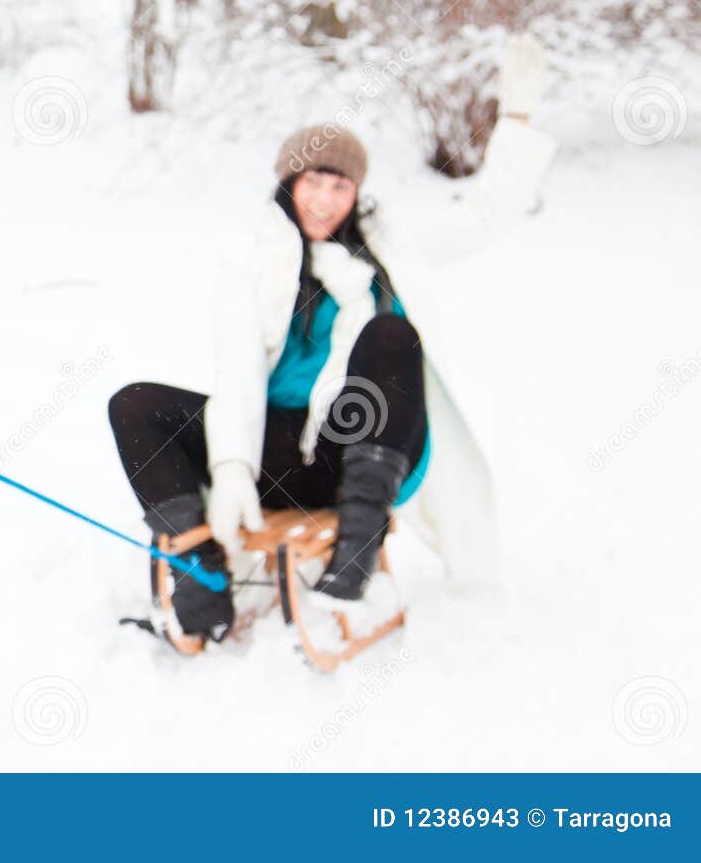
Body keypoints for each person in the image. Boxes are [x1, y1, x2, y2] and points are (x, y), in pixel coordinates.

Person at [107, 35, 557, 642]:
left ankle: (358, 543)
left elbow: (486, 215)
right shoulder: (250, 256)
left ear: (356, 193)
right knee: (135, 403)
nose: (324, 198)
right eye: (313, 181)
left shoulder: (389, 243)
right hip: (275, 446)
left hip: (360, 445)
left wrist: (519, 120)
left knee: (391, 332)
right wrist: (234, 469)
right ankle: (199, 572)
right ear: (289, 182)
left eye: (339, 185)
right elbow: (238, 371)